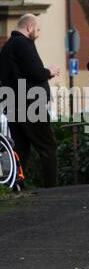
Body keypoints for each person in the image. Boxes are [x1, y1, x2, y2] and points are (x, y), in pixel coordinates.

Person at [0, 14, 59, 188]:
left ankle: (16, 185)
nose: (38, 33)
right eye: (38, 30)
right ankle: (52, 189)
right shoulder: (23, 44)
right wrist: (49, 71)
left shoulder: (7, 47)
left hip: (12, 104)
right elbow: (35, 72)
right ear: (29, 28)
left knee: (21, 149)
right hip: (30, 105)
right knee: (48, 147)